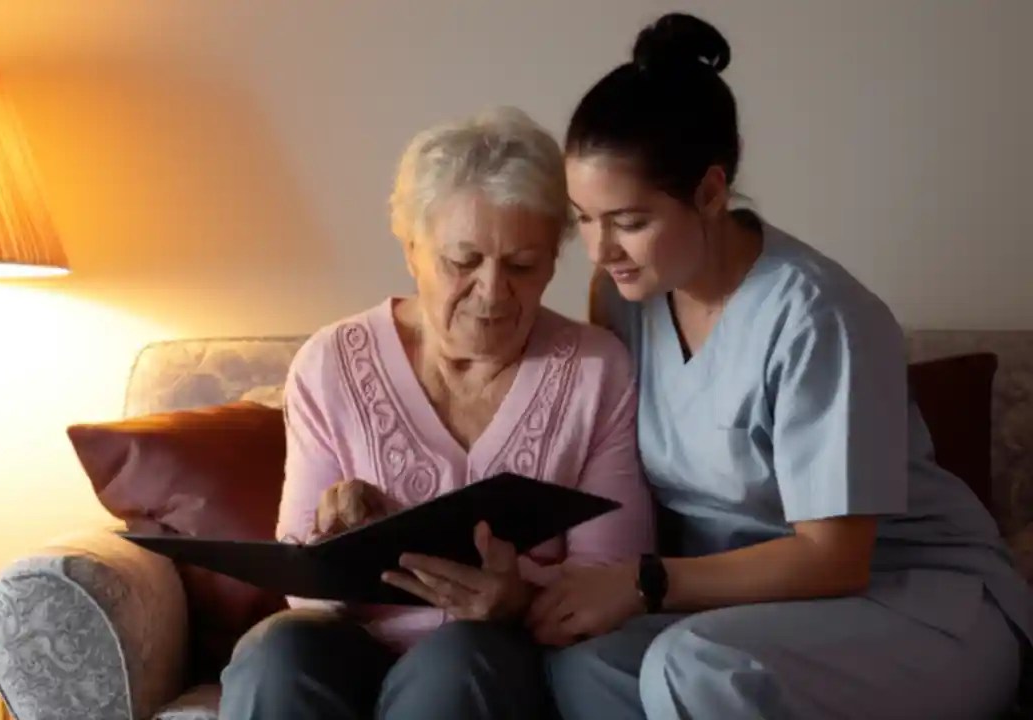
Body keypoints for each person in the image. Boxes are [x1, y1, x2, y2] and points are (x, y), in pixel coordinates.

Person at [533, 12, 1031, 720]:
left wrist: (642, 581)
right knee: (586, 667)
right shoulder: (625, 302)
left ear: (710, 192)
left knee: (692, 667)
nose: (600, 248)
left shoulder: (818, 315)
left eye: (629, 221)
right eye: (583, 217)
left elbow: (836, 559)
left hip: (917, 606)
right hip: (748, 617)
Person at [217, 107, 655, 720]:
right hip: (352, 647)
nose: (494, 291)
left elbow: (611, 576)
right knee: (275, 651)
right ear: (411, 249)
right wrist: (331, 546)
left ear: (554, 261)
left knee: (460, 660)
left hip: (498, 658)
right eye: (462, 261)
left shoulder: (595, 369)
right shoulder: (331, 363)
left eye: (523, 265)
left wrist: (517, 597)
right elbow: (302, 593)